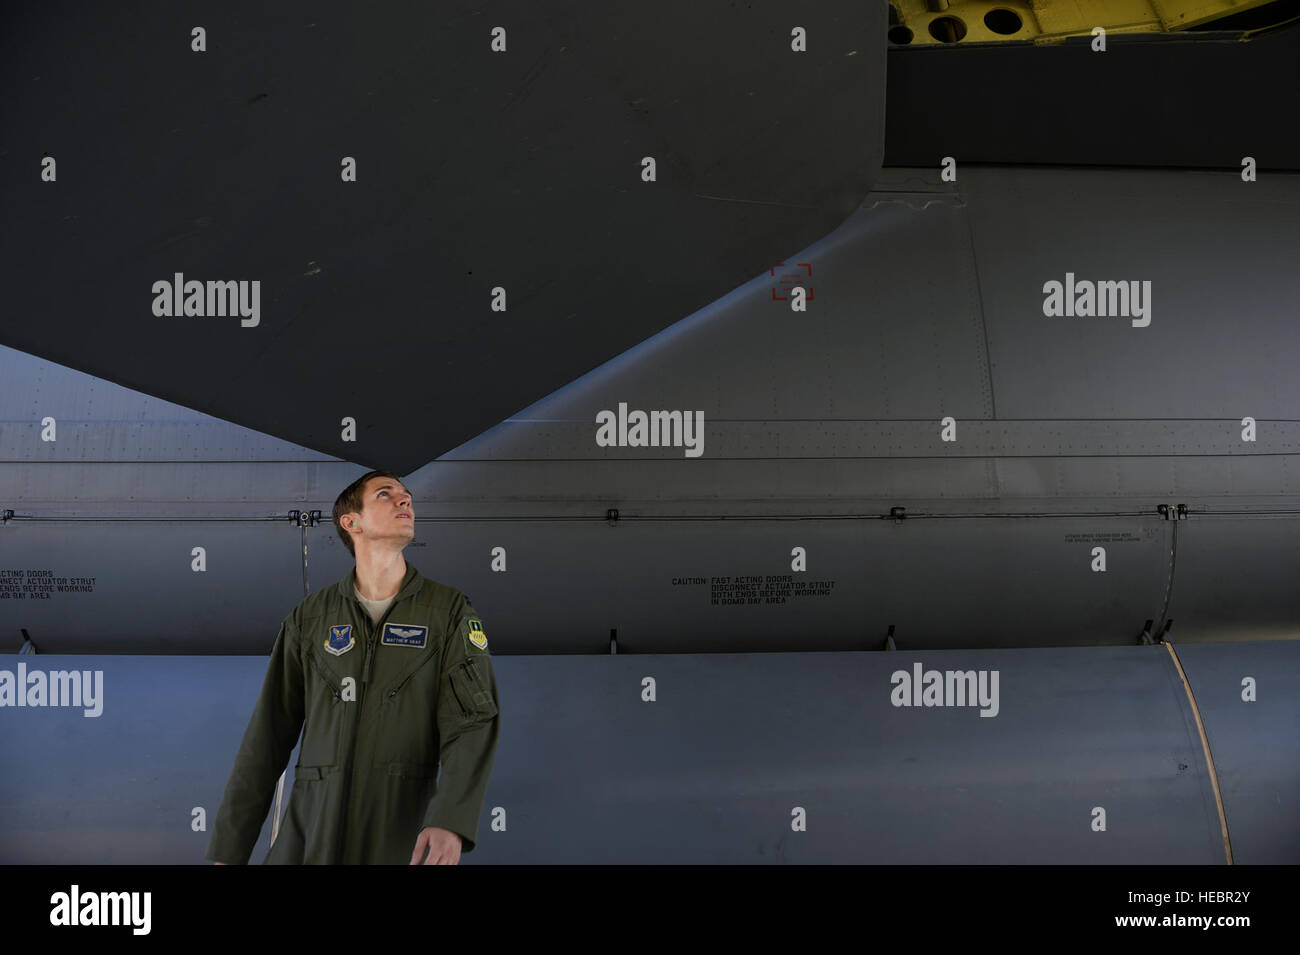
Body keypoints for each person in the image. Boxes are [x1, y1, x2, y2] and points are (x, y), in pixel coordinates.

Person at [206, 470, 500, 864]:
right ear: (351, 522)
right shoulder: (310, 619)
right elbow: (266, 739)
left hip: (398, 834)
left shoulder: (447, 613)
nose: (404, 500)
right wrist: (229, 851)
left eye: (407, 495)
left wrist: (451, 819)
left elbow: (472, 724)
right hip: (309, 837)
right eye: (386, 494)